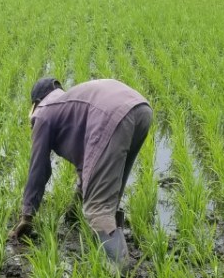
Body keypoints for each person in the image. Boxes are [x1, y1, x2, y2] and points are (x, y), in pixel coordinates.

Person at [9, 77, 153, 264]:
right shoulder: (68, 104)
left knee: (98, 207)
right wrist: (73, 211)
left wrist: (27, 215)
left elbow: (38, 168)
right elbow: (90, 166)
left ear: (36, 102)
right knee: (109, 189)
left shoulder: (43, 113)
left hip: (112, 114)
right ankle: (110, 236)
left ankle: (120, 267)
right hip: (140, 108)